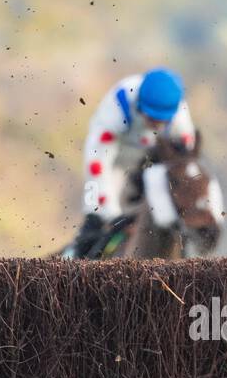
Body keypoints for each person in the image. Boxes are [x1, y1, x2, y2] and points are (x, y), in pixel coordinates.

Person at [61, 67, 197, 259]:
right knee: (97, 219)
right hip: (111, 163)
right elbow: (98, 162)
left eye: (161, 121)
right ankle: (75, 256)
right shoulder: (119, 103)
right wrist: (110, 213)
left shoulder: (179, 115)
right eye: (151, 118)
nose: (156, 125)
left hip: (148, 165)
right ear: (139, 105)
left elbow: (182, 164)